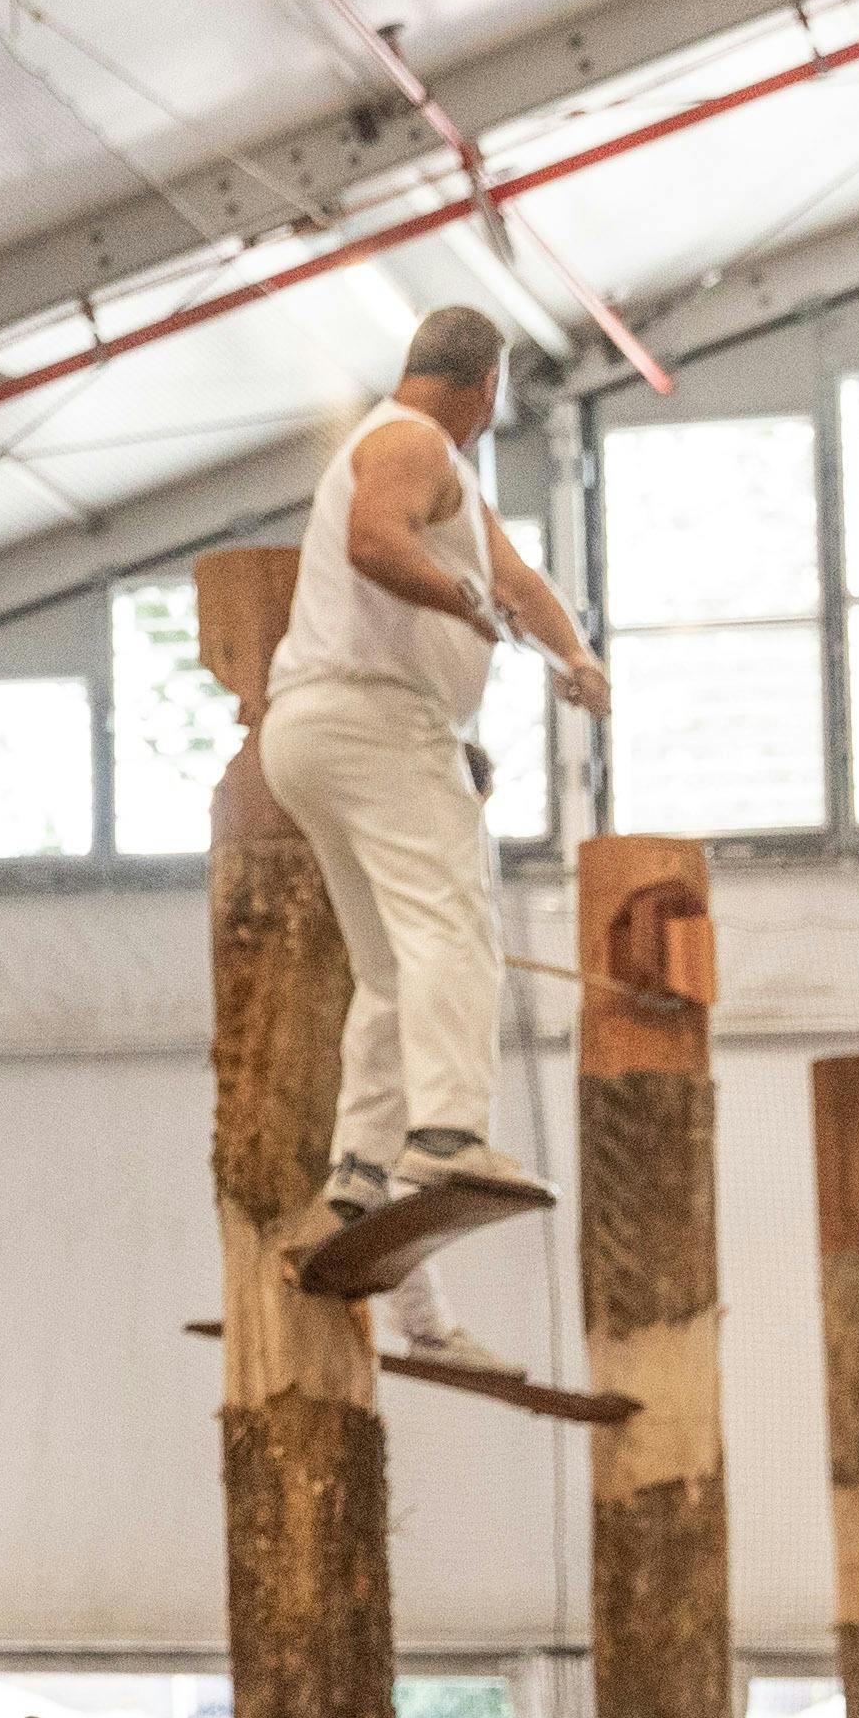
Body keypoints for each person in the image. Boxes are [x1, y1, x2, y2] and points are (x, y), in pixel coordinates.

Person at [249, 309, 608, 1348]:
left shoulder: (422, 459)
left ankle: (356, 1178)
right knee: (455, 930)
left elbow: (517, 583)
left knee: (391, 971)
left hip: (311, 729)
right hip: (376, 720)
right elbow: (377, 543)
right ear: (486, 387)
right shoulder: (410, 443)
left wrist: (573, 660)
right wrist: (459, 602)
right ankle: (450, 1131)